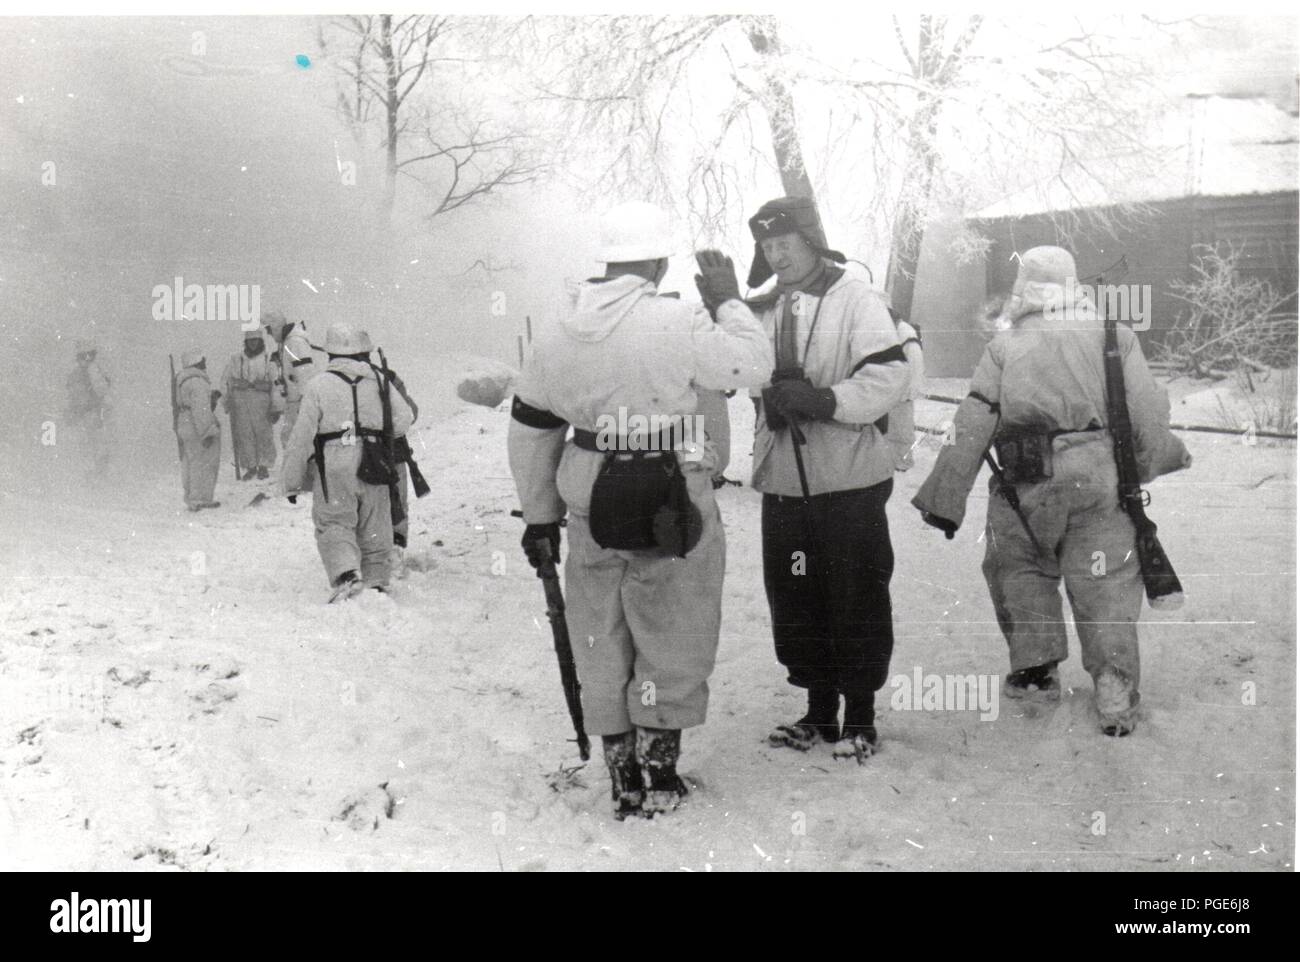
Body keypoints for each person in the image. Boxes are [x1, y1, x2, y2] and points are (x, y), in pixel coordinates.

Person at [508, 200, 772, 819]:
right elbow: (752, 364)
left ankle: (621, 774)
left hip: (589, 494)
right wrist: (729, 301)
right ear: (658, 262)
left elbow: (531, 429)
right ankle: (661, 771)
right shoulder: (676, 321)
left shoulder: (558, 330)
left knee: (599, 630)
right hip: (669, 493)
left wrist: (539, 516)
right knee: (673, 626)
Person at [912, 246, 1191, 736]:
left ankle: (1037, 672)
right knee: (1104, 581)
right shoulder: (1113, 336)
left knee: (1018, 569)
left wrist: (944, 498)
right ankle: (1113, 683)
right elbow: (1147, 412)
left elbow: (974, 418)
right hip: (1097, 479)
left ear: (1025, 286)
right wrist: (1157, 460)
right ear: (1072, 283)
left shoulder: (1005, 346)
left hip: (1024, 484)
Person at [744, 195, 911, 763]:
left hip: (848, 480)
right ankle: (818, 711)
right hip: (784, 480)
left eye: (785, 244)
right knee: (795, 592)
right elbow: (730, 371)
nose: (776, 255)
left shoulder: (855, 299)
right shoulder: (763, 308)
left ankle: (860, 717)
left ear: (811, 242)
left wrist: (825, 399)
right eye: (767, 247)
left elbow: (891, 374)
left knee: (855, 590)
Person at [281, 323, 414, 602]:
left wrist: (292, 483)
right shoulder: (379, 380)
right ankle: (377, 582)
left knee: (334, 521)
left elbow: (300, 437)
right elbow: (404, 419)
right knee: (376, 520)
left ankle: (346, 575)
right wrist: (377, 429)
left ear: (331, 354)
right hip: (375, 457)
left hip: (334, 459)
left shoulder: (318, 385)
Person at [222, 328, 283, 480]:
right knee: (244, 434)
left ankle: (264, 465)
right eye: (250, 341)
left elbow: (276, 384)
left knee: (264, 434)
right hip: (241, 401)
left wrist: (276, 407)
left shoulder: (268, 359)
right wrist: (227, 400)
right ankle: (250, 466)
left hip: (261, 401)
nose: (253, 343)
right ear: (246, 342)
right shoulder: (236, 359)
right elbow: (226, 380)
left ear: (261, 341)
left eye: (256, 340)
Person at [174, 350, 222, 511]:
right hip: (196, 426)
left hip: (184, 423)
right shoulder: (198, 381)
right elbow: (200, 410)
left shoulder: (183, 379)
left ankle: (192, 497)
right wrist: (207, 431)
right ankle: (201, 498)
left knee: (191, 461)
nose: (205, 363)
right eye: (203, 360)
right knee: (204, 461)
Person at [266, 312, 318, 450]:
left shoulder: (295, 343)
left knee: (296, 444)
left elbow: (306, 374)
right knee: (291, 441)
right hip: (294, 403)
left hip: (300, 404)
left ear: (275, 327)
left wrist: (305, 405)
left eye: (269, 330)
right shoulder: (286, 344)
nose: (269, 334)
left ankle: (300, 471)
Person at [64, 339, 112, 477]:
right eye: (83, 357)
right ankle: (91, 475)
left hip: (93, 415)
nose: (86, 360)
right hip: (85, 415)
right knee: (88, 447)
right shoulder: (77, 374)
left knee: (95, 446)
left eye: (88, 356)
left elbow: (103, 394)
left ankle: (96, 474)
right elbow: (72, 397)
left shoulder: (94, 373)